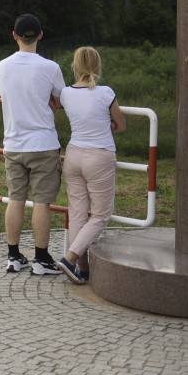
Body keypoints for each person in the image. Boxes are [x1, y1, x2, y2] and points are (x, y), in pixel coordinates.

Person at [0, 14, 66, 275]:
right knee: (42, 202)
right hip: (43, 143)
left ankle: (13, 256)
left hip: (13, 143)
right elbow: (61, 99)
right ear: (40, 35)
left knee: (15, 199)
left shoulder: (2, 66)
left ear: (14, 36)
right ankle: (41, 259)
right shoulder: (50, 68)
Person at [57, 46, 126, 285]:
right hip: (100, 155)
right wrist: (107, 124)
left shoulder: (65, 93)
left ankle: (82, 269)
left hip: (74, 153)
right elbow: (120, 124)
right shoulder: (106, 93)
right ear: (97, 66)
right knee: (100, 214)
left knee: (77, 213)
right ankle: (70, 258)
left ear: (75, 66)